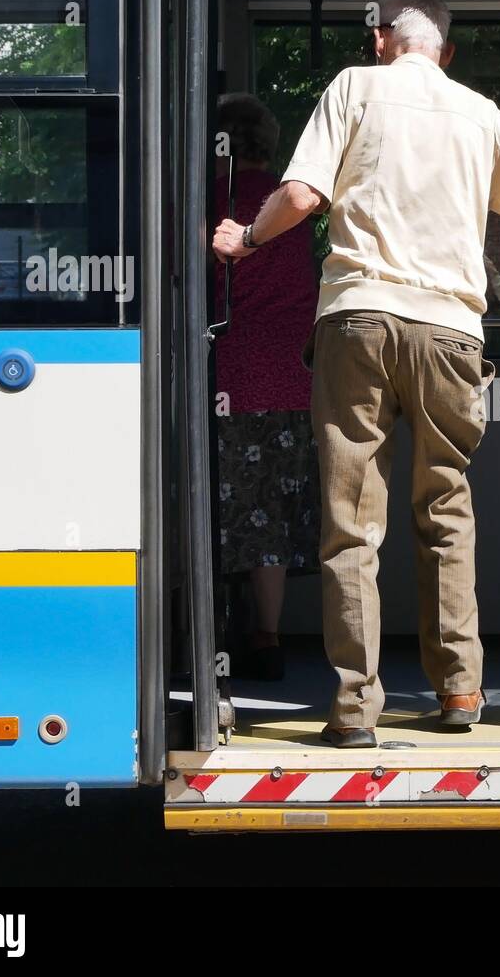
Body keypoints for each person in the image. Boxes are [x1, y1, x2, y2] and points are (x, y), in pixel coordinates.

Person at [213, 0, 500, 747]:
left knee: (353, 522)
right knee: (445, 508)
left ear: (383, 41)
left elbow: (301, 194)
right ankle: (460, 692)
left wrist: (245, 240)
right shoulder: (479, 114)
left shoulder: (354, 87)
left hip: (359, 318)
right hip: (451, 331)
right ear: (443, 52)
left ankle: (355, 708)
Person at [212, 93, 321, 681]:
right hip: (290, 376)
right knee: (273, 514)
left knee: (224, 506)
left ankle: (214, 633)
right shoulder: (291, 200)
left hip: (228, 372)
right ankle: (267, 636)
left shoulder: (212, 200)